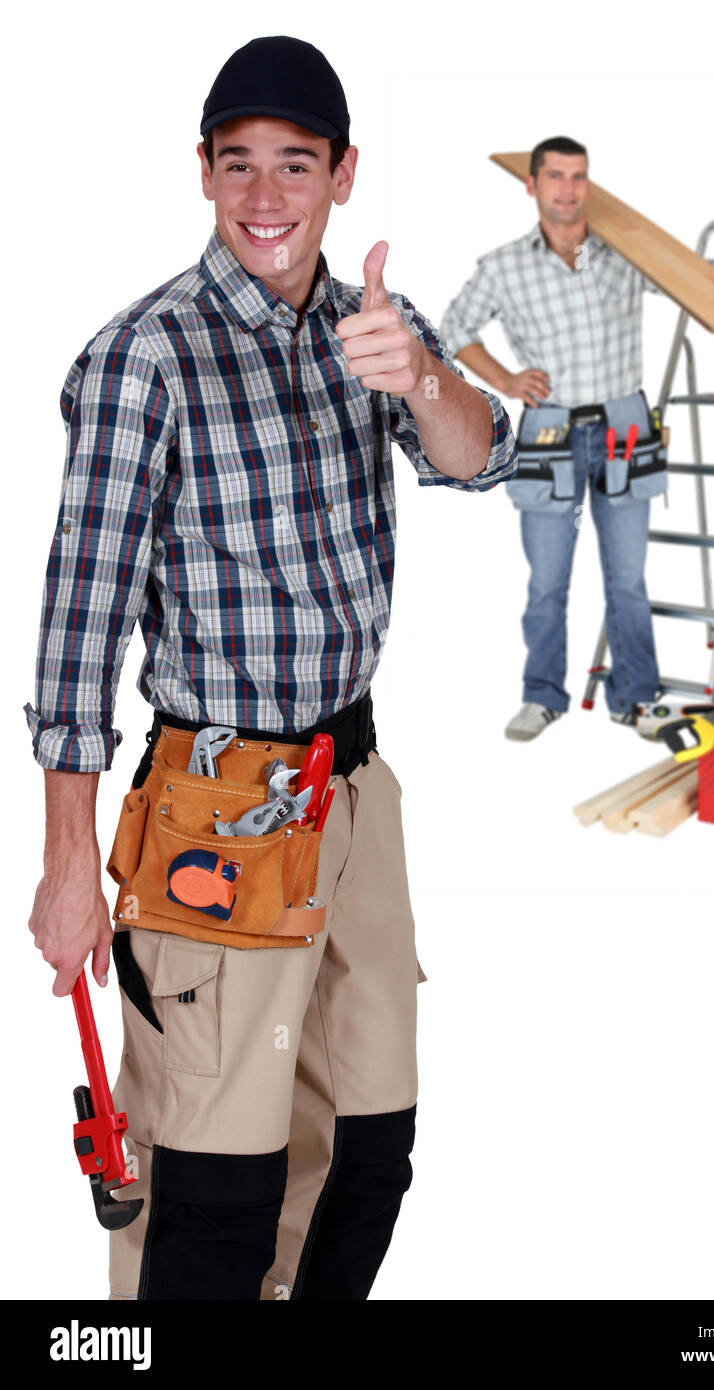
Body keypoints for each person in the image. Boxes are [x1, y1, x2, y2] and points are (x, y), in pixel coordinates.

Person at [24, 35, 515, 1301]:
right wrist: (71, 858)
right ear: (201, 172)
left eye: (294, 165)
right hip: (211, 806)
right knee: (211, 1192)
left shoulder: (374, 327)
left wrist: (422, 377)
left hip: (351, 789)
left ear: (341, 176)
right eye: (236, 164)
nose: (264, 196)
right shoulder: (147, 358)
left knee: (371, 1149)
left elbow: (479, 456)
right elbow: (80, 623)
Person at [440, 136, 714, 740]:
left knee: (628, 578)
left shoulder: (625, 254)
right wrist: (506, 379)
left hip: (626, 424)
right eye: (557, 177)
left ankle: (637, 697)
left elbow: (700, 275)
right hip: (550, 432)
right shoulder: (503, 266)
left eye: (579, 177)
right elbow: (455, 327)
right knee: (547, 582)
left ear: (588, 185)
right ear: (533, 186)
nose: (569, 189)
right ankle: (542, 696)